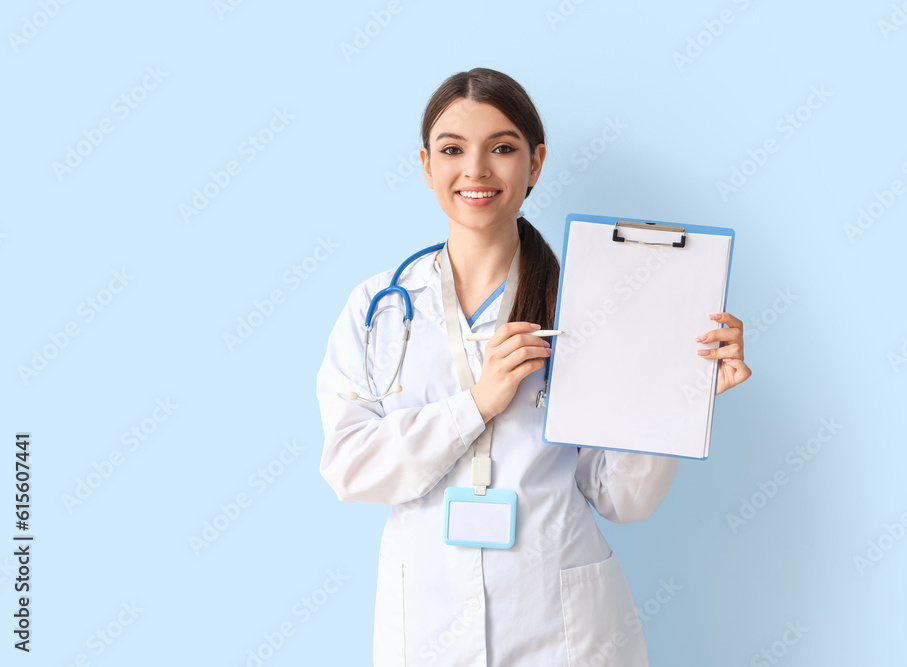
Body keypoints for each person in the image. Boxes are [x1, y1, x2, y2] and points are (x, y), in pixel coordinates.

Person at [316, 67, 751, 667]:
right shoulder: (377, 309)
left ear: (536, 163)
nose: (476, 170)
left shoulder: (589, 308)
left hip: (563, 628)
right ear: (425, 165)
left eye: (501, 148)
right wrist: (475, 404)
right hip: (427, 622)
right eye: (452, 150)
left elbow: (621, 497)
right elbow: (350, 468)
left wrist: (676, 393)